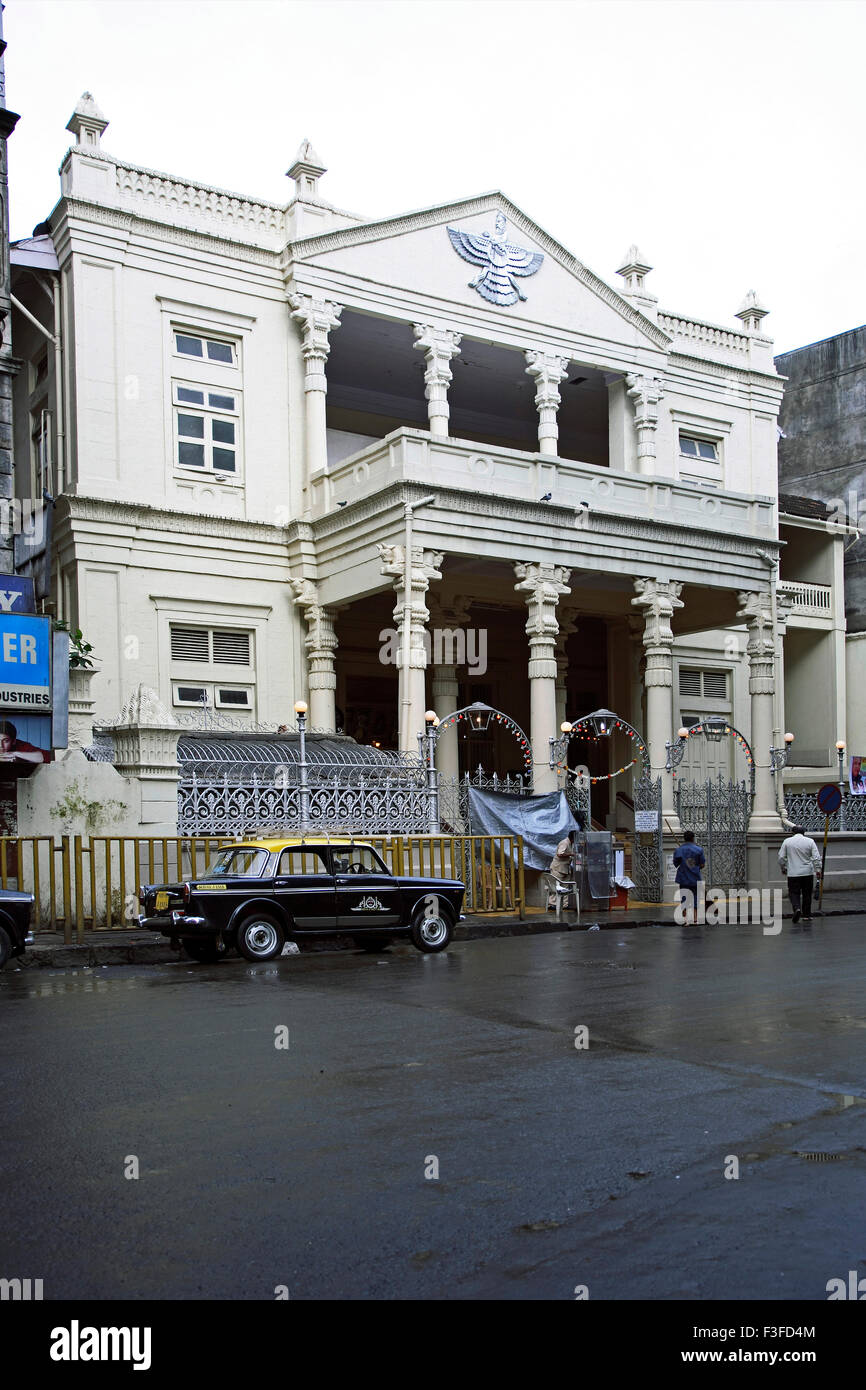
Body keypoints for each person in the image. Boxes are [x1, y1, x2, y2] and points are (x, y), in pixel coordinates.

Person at [778, 825, 821, 923]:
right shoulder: (810, 841)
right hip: (807, 872)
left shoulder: (787, 841)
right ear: (804, 832)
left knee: (793, 893)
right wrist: (818, 869)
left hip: (793, 873)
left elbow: (781, 857)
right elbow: (816, 858)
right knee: (807, 894)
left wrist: (783, 867)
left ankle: (797, 908)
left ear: (793, 832)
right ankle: (806, 915)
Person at [673, 830, 705, 923]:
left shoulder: (679, 850)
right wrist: (694, 866)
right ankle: (695, 919)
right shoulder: (699, 850)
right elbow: (702, 864)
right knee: (696, 897)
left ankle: (686, 920)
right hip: (695, 877)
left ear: (684, 838)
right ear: (693, 838)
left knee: (684, 897)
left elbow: (675, 863)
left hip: (683, 877)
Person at [548, 829, 577, 910]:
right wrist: (571, 854)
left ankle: (564, 904)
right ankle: (552, 904)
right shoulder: (565, 842)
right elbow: (560, 854)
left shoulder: (572, 844)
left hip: (565, 868)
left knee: (565, 887)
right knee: (555, 886)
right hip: (558, 868)